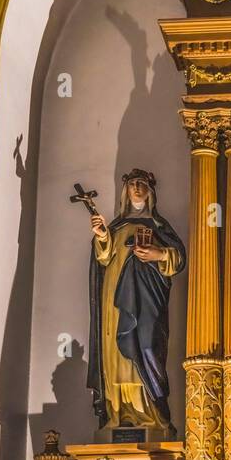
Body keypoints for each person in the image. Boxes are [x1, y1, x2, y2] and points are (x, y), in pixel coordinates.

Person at [87, 168, 185, 435]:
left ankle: (151, 414)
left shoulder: (159, 227)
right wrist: (102, 236)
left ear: (151, 191)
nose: (137, 188)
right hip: (115, 300)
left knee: (146, 347)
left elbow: (177, 260)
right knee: (116, 355)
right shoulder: (116, 227)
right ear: (125, 191)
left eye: (142, 184)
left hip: (147, 302)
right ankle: (120, 414)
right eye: (133, 184)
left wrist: (158, 253)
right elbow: (104, 259)